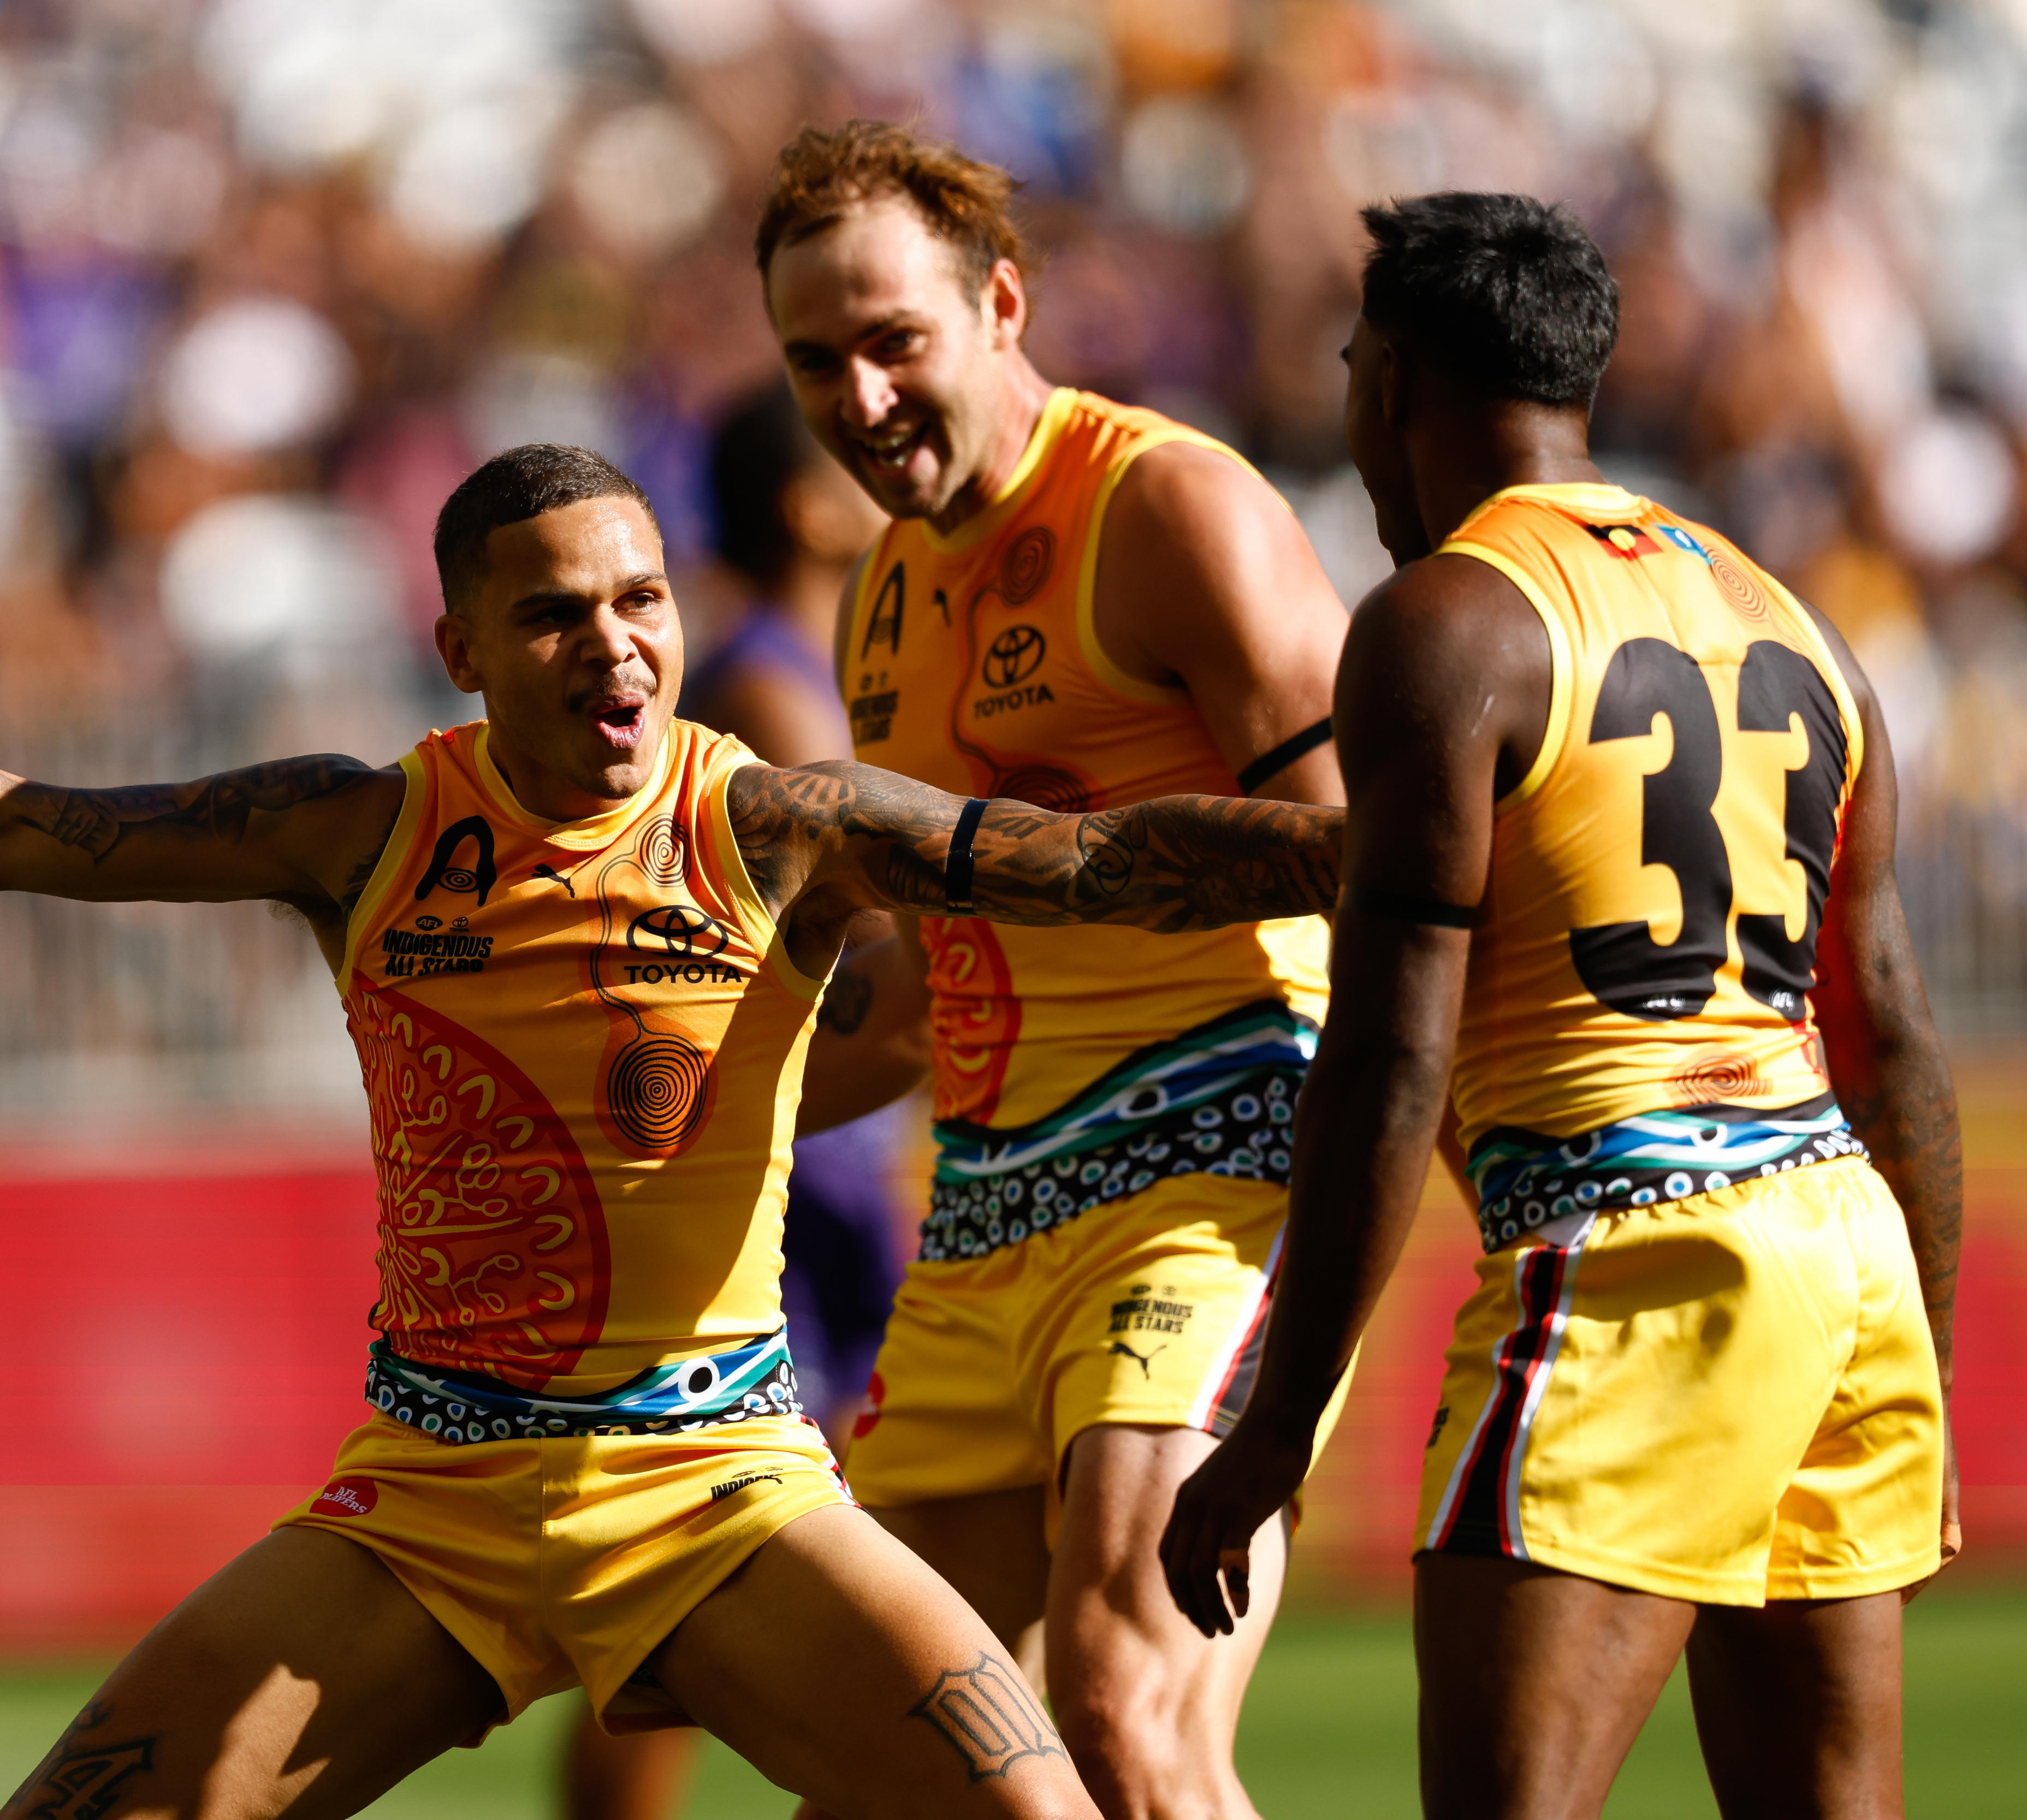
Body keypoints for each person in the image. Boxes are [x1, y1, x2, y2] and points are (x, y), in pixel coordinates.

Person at [0, 442, 1345, 1820]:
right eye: (555, 616)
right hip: (431, 1497)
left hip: (722, 1487)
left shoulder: (781, 823)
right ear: (461, 649)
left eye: (642, 602)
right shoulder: (359, 832)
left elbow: (1099, 865)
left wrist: (1397, 850)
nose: (615, 649)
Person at [1159, 194, 1961, 1820]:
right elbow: (1894, 1029)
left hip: (1634, 1250)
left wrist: (1271, 1426)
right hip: (1842, 1246)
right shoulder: (1794, 618)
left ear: (1393, 381)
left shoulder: (1446, 624)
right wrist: (1918, 1373)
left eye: (1351, 365)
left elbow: (1390, 1064)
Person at [755, 121, 1353, 1820]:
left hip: (1217, 1161)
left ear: (1002, 304)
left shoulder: (1167, 504)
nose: (858, 396)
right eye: (816, 360)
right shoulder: (881, 593)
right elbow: (929, 986)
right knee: (891, 1753)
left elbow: (1380, 867)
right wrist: (693, 1100)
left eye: (895, 343)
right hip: (995, 1195)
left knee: (1122, 1701)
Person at [559, 383, 910, 1820]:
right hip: (798, 1158)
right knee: (717, 1563)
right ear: (803, 503)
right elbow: (874, 921)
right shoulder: (773, 680)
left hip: (824, 1141)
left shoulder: (790, 660)